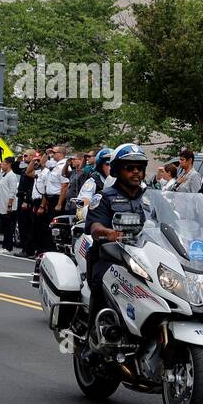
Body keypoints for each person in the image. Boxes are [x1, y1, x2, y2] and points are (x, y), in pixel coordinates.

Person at [83, 143, 150, 351]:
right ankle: (93, 337)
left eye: (139, 168)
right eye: (130, 168)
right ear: (116, 170)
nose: (136, 172)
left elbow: (170, 223)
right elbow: (93, 227)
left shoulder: (150, 198)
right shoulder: (104, 197)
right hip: (109, 257)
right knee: (103, 287)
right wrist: (107, 232)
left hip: (143, 257)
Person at [0, 156, 20, 252]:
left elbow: (13, 191)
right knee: (5, 227)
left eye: (4, 164)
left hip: (9, 206)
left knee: (9, 228)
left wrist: (9, 204)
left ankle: (8, 247)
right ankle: (4, 246)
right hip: (2, 204)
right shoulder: (4, 175)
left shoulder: (11, 176)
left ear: (9, 165)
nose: (2, 165)